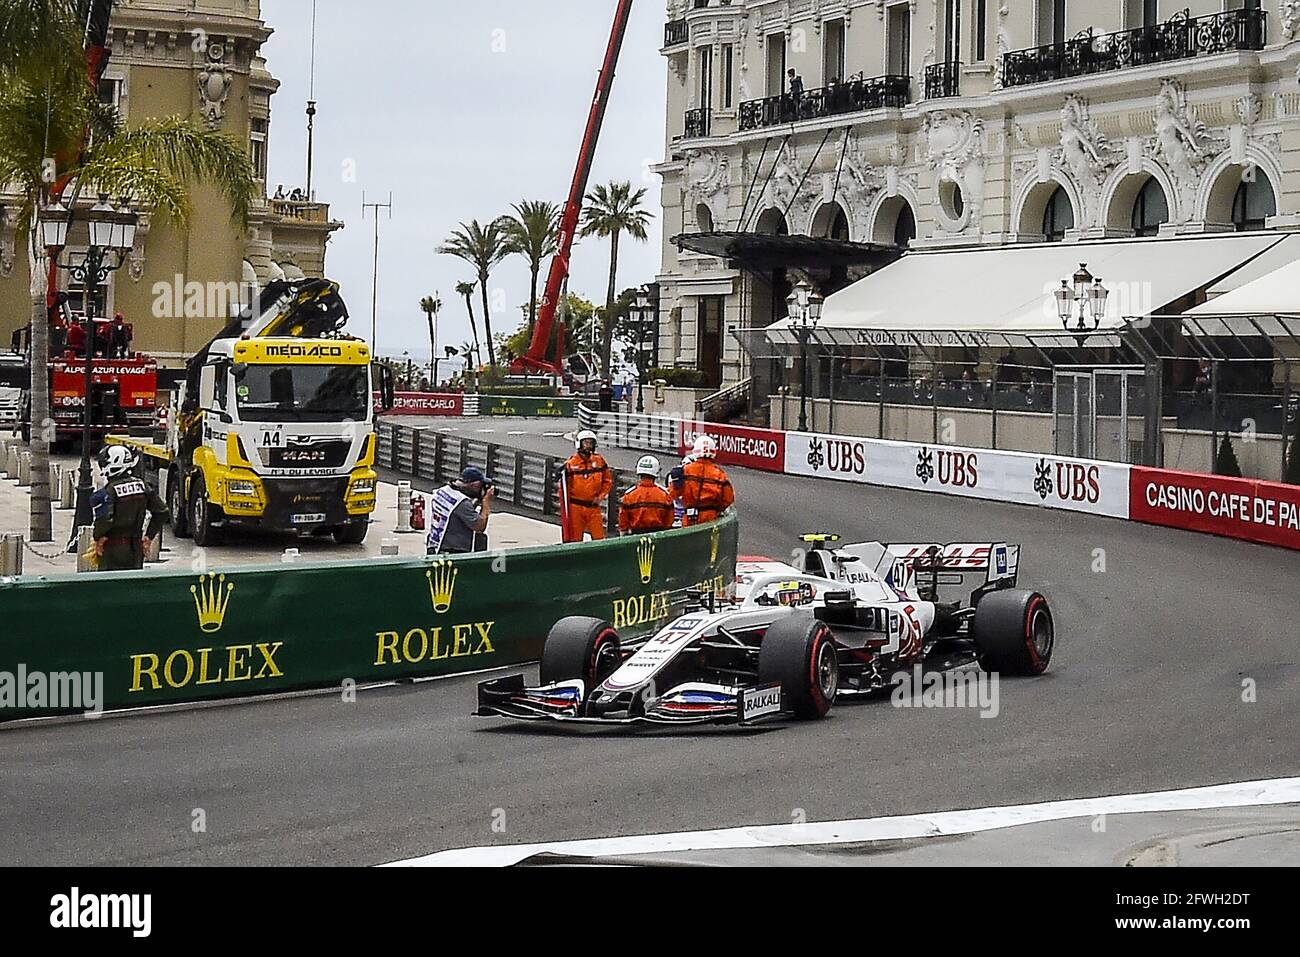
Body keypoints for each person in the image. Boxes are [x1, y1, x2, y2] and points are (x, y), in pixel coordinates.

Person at [92, 446, 168, 572]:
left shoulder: (108, 491)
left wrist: (98, 538)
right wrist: (148, 537)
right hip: (136, 548)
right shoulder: (142, 485)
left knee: (109, 587)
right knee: (133, 586)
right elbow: (162, 511)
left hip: (113, 548)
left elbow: (105, 520)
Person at [427, 467, 494, 555]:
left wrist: (476, 502)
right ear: (474, 486)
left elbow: (457, 513)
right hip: (453, 552)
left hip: (436, 545)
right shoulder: (462, 503)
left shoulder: (444, 491)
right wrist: (486, 502)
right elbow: (479, 526)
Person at [561, 429, 612, 542]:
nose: (588, 446)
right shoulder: (570, 464)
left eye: (591, 443)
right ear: (579, 444)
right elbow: (564, 489)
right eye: (586, 443)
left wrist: (601, 496)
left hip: (593, 506)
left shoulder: (599, 461)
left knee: (599, 539)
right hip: (576, 507)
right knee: (575, 539)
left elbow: (607, 480)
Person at [680, 435, 735, 526]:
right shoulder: (719, 474)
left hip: (689, 515)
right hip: (710, 516)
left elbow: (674, 492)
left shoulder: (685, 470)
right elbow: (728, 499)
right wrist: (716, 509)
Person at [618, 455, 675, 535]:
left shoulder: (629, 495)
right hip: (659, 537)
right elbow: (669, 521)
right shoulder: (665, 495)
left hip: (635, 537)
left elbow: (623, 522)